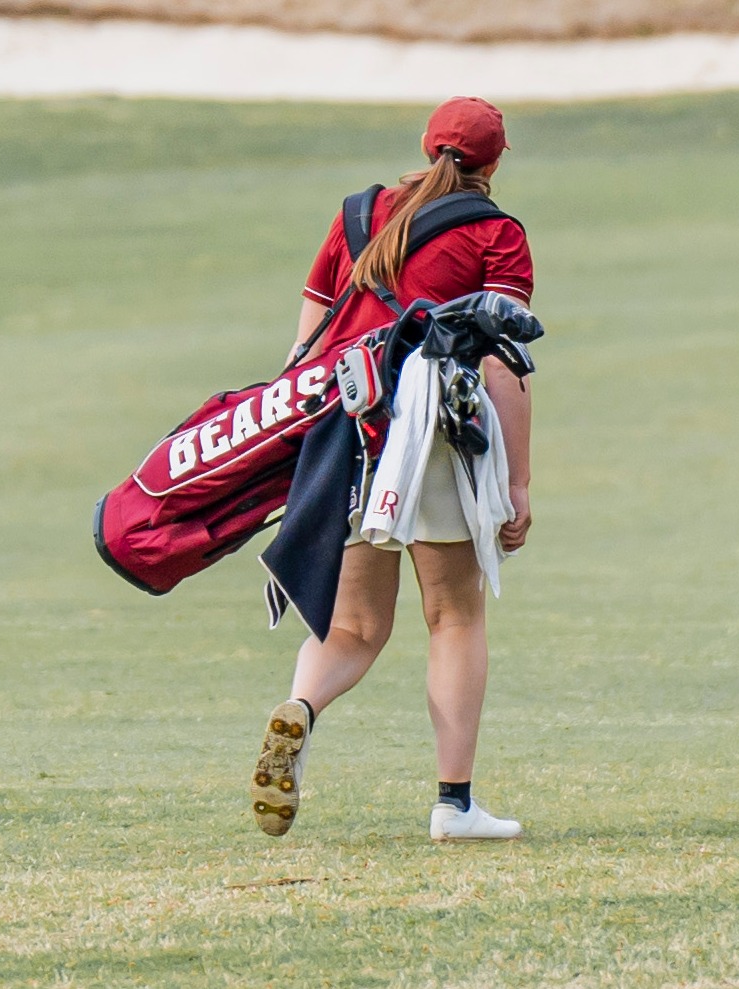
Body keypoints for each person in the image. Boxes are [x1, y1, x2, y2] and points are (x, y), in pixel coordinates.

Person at [249, 96, 536, 842]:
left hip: (349, 433)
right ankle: (454, 804)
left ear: (426, 144)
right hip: (435, 436)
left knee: (353, 626)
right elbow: (502, 365)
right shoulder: (498, 234)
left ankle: (301, 707)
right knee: (454, 615)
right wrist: (518, 484)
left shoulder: (357, 215)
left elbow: (307, 350)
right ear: (494, 163)